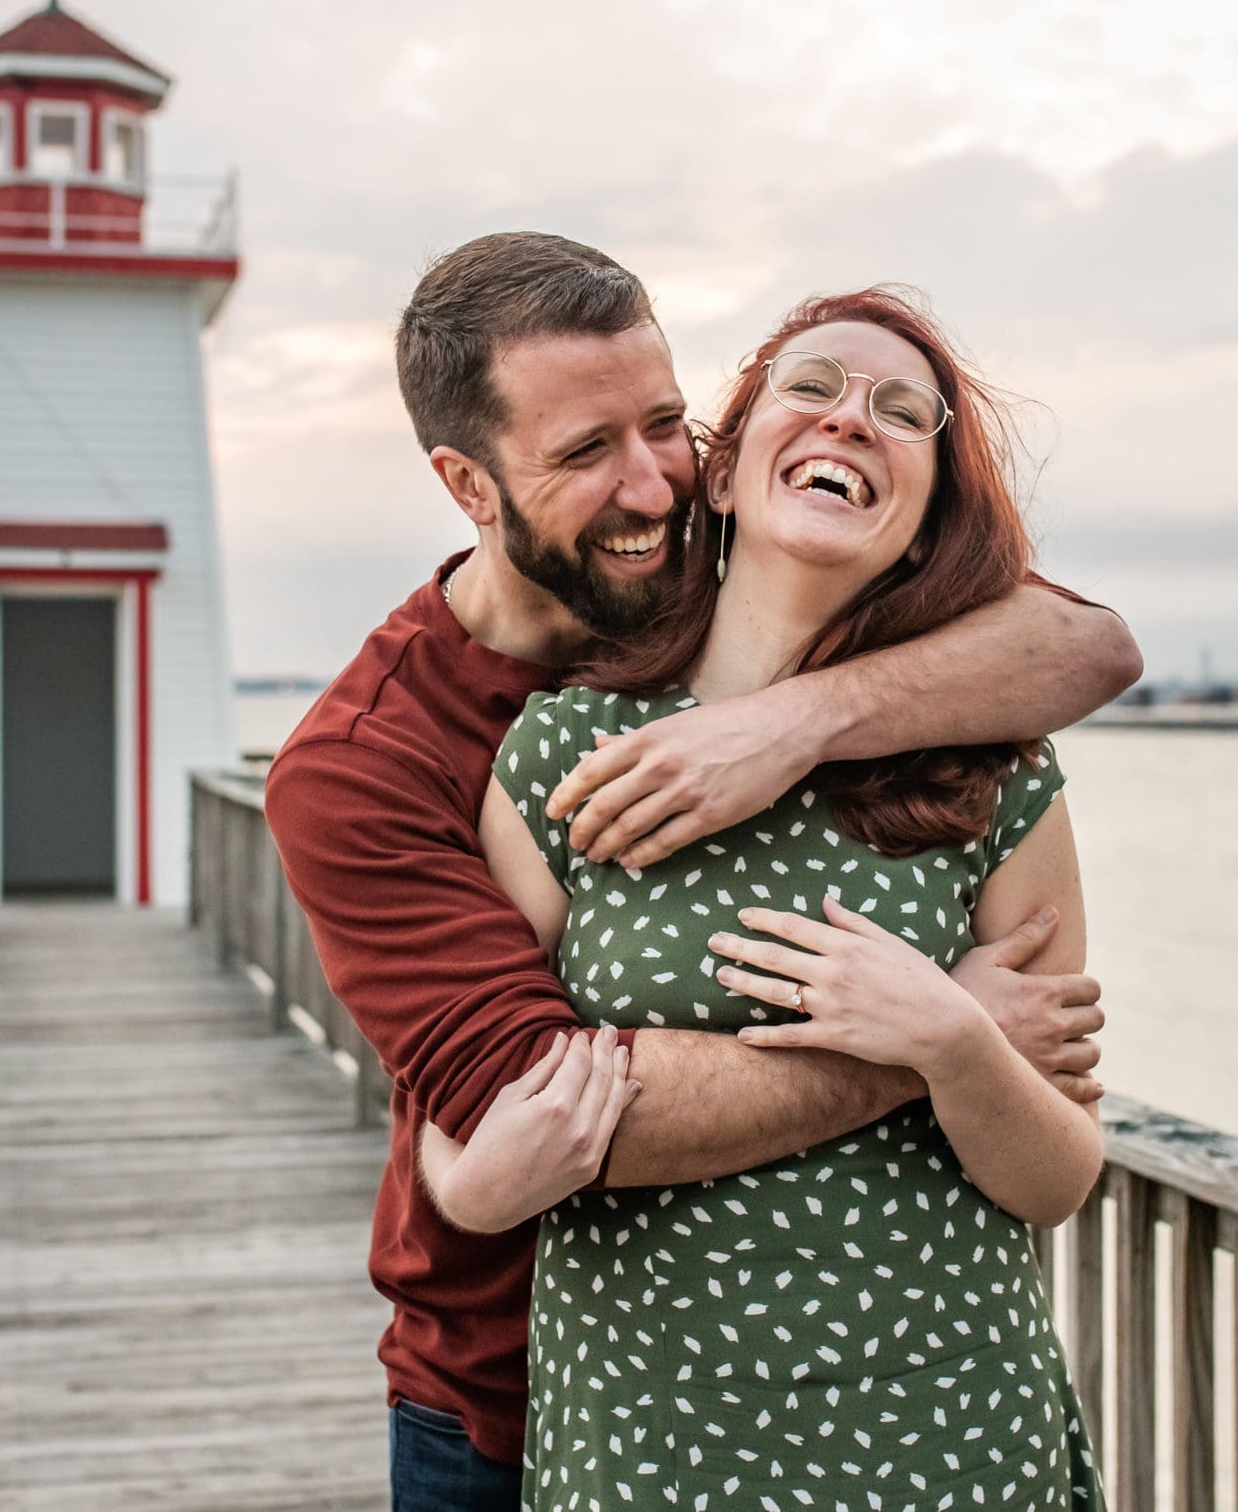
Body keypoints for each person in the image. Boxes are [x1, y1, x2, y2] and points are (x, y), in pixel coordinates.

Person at [263, 234, 1140, 1512]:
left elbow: (1085, 648)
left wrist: (791, 726)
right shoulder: (371, 763)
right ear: (467, 482)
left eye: (664, 425)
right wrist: (943, 1039)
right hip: (525, 1399)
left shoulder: (721, 545)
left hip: (927, 1421)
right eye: (580, 455)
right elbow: (544, 1108)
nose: (648, 486)